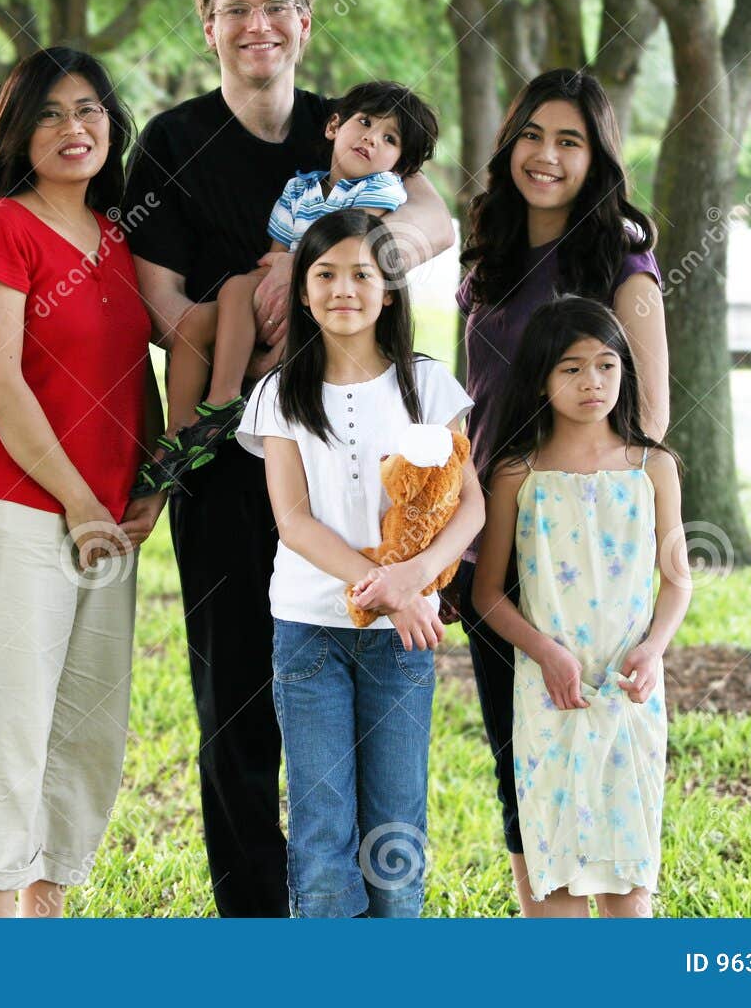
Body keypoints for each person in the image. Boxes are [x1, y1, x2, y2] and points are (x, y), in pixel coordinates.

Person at [122, 0, 455, 917]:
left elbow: (435, 209)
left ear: (304, 23)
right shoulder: (171, 142)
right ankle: (256, 920)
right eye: (235, 9)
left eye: (276, 7)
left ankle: (360, 909)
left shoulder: (346, 128)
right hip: (225, 458)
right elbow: (158, 299)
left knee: (357, 688)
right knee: (234, 700)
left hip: (347, 452)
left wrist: (346, 261)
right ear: (210, 26)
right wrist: (250, 356)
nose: (256, 24)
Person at [0, 47, 165, 917]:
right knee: (14, 728)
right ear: (16, 129)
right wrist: (77, 502)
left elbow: (129, 367)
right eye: (50, 114)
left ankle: (47, 922)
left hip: (108, 517)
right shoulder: (2, 224)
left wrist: (148, 475)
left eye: (89, 111)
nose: (73, 129)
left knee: (86, 734)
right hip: (18, 507)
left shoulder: (115, 236)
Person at [451, 68, 669, 912]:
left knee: (606, 747)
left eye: (570, 141)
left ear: (596, 157)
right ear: (510, 144)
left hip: (581, 549)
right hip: (490, 544)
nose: (546, 155)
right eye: (533, 135)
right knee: (524, 756)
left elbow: (651, 411)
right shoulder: (490, 258)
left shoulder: (621, 259)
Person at [238, 210, 482, 917]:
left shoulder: (429, 387)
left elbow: (470, 506)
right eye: (325, 274)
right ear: (304, 292)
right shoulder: (278, 394)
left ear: (390, 290)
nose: (344, 288)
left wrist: (412, 583)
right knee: (320, 838)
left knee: (396, 836)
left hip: (402, 641)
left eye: (362, 274)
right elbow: (294, 519)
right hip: (308, 633)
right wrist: (380, 585)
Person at [471, 296, 689, 917]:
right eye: (571, 368)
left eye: (606, 365)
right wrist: (545, 653)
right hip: (549, 693)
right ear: (541, 379)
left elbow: (677, 583)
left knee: (629, 882)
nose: (592, 382)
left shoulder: (654, 467)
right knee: (558, 875)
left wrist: (652, 650)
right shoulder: (517, 472)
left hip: (630, 691)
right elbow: (485, 592)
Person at [149, 81, 439, 485]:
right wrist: (270, 284)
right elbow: (274, 255)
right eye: (365, 123)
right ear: (334, 126)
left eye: (389, 139)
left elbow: (345, 242)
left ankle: (223, 401)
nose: (372, 139)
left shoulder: (379, 188)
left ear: (399, 163)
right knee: (196, 322)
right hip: (282, 290)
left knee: (235, 288)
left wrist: (289, 271)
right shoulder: (299, 189)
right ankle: (178, 435)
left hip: (322, 304)